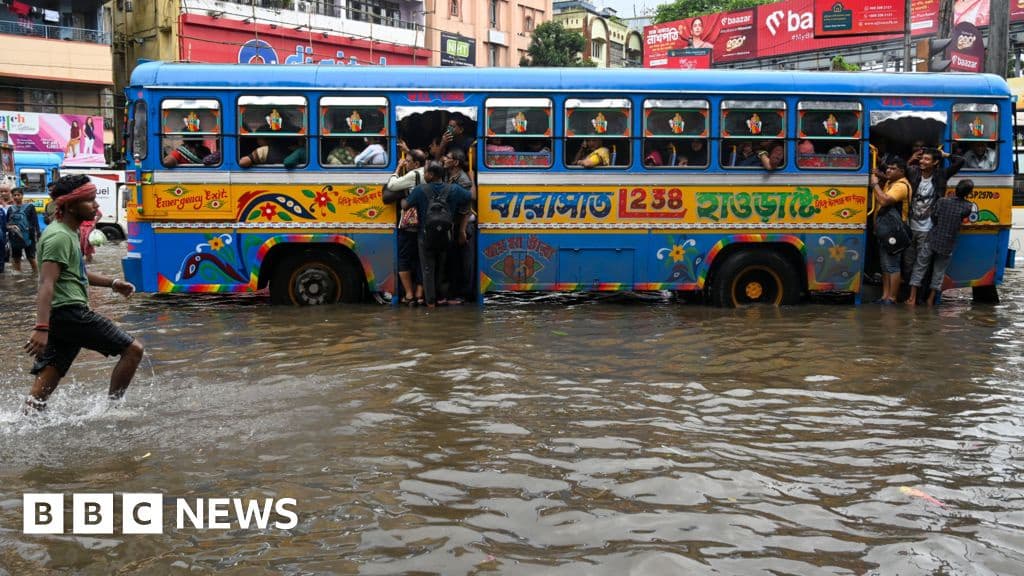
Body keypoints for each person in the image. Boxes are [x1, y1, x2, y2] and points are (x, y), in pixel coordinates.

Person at [22, 174, 144, 413]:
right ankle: (113, 410)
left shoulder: (69, 232)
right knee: (133, 350)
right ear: (69, 205)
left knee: (50, 377)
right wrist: (41, 327)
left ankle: (24, 421)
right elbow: (47, 283)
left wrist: (113, 283)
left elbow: (78, 273)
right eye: (90, 200)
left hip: (62, 317)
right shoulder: (58, 236)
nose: (96, 206)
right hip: (69, 313)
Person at [401, 161, 472, 308]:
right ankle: (440, 298)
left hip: (425, 237)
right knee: (441, 268)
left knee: (427, 270)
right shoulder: (454, 189)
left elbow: (406, 206)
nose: (424, 174)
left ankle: (431, 303)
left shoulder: (420, 190)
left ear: (431, 175)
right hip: (446, 236)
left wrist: (402, 200)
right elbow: (469, 197)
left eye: (425, 172)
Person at [904, 147, 964, 306]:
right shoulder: (913, 172)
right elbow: (900, 168)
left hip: (928, 227)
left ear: (936, 162)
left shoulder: (941, 175)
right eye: (921, 158)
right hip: (910, 226)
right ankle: (911, 296)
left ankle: (920, 299)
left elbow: (960, 161)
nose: (922, 162)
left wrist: (946, 154)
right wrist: (911, 157)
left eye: (926, 159)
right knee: (909, 263)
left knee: (922, 263)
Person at [383, 145, 427, 305]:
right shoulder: (429, 173)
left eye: (408, 161)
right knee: (422, 259)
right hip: (425, 224)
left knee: (404, 259)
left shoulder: (413, 174)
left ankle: (409, 295)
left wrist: (397, 168)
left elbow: (392, 186)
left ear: (416, 164)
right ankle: (420, 294)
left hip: (410, 225)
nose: (406, 163)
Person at [920, 180, 975, 306]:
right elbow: (961, 218)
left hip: (933, 239)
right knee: (938, 273)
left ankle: (913, 297)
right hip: (948, 243)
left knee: (920, 268)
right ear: (969, 193)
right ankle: (930, 300)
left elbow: (934, 217)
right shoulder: (968, 206)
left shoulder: (942, 201)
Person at [869, 158, 912, 304]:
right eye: (888, 168)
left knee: (892, 265)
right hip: (886, 231)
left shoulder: (901, 186)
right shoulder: (891, 182)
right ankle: (885, 296)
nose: (888, 171)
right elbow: (886, 177)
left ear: (901, 171)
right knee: (885, 265)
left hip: (895, 232)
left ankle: (892, 298)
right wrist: (880, 175)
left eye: (893, 169)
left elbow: (884, 200)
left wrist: (875, 184)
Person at [8, 187, 40, 273]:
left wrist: (37, 234)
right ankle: (18, 277)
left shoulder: (30, 207)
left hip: (29, 236)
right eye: (14, 195)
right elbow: (7, 223)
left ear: (22, 196)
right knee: (16, 259)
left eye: (18, 195)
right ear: (12, 196)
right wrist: (10, 228)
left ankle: (36, 276)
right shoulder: (10, 209)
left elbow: (35, 222)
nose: (16, 197)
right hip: (15, 237)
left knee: (31, 258)